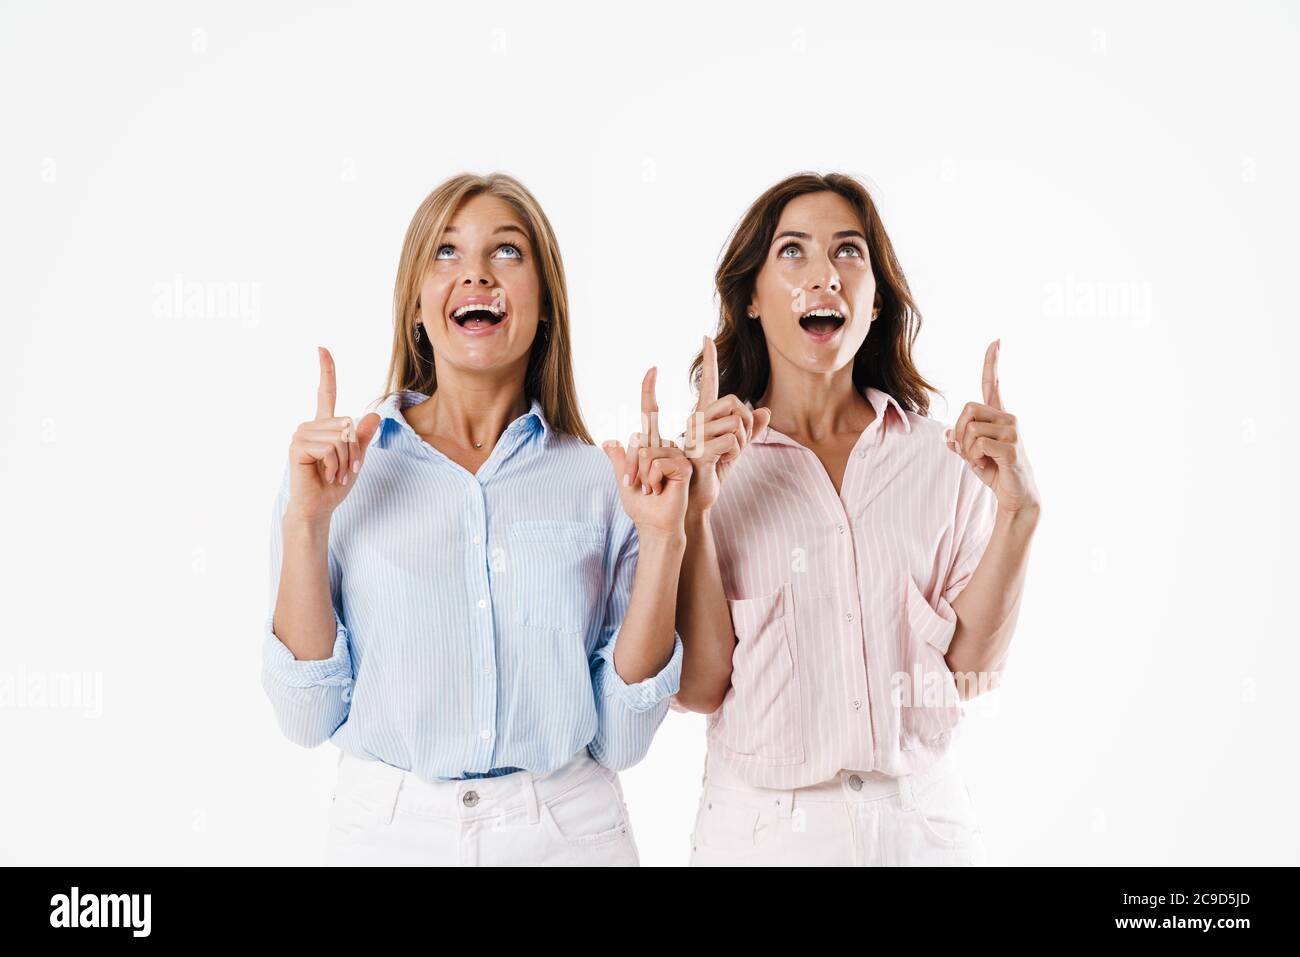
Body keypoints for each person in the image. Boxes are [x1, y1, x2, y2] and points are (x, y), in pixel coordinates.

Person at [261, 172, 692, 866]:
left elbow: (623, 737)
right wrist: (306, 524)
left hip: (566, 833)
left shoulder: (602, 481)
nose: (477, 274)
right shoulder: (340, 474)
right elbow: (307, 716)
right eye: (447, 253)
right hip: (387, 834)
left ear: (545, 303)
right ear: (416, 307)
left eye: (508, 252)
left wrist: (665, 537)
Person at [672, 172, 1041, 866]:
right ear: (751, 296)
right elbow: (698, 687)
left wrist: (1020, 513)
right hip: (762, 833)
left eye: (848, 252)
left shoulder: (943, 460)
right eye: (792, 252)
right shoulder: (708, 471)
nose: (825, 276)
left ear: (875, 300)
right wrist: (693, 511)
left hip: (923, 825)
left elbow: (970, 669)